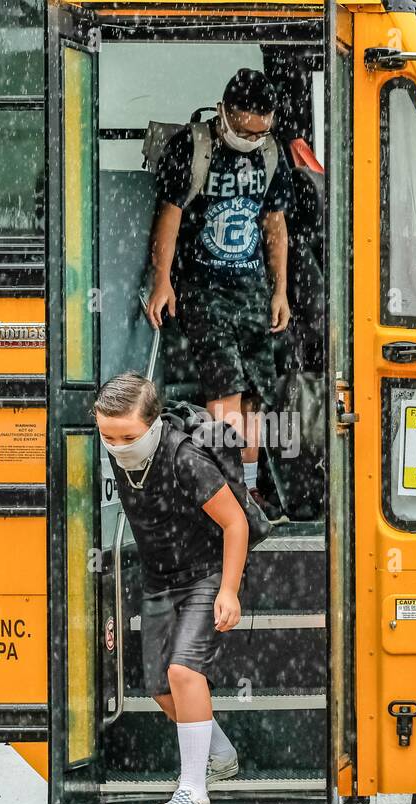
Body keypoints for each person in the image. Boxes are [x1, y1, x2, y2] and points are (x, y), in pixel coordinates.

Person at [93, 371, 249, 804]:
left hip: (206, 573)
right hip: (159, 579)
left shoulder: (184, 459)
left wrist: (229, 590)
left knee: (183, 672)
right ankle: (220, 756)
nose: (119, 446)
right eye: (108, 436)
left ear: (154, 423)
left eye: (128, 436)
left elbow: (235, 524)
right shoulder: (119, 458)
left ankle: (193, 791)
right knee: (160, 687)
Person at [145, 67, 294, 519]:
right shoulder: (194, 147)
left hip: (251, 287)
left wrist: (280, 291)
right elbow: (168, 216)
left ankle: (246, 494)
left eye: (260, 131)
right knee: (223, 392)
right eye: (245, 129)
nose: (251, 139)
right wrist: (163, 279)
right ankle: (224, 496)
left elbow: (275, 226)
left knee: (253, 394)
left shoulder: (271, 155)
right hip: (203, 288)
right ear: (225, 112)